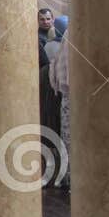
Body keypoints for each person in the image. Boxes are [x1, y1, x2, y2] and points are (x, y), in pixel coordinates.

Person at [47, 17, 71, 191]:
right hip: (75, 96)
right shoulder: (75, 34)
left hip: (68, 96)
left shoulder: (68, 36)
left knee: (69, 139)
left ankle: (70, 178)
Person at [37, 7, 62, 146]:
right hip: (44, 79)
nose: (45, 22)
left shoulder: (59, 36)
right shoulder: (36, 38)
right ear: (38, 21)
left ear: (52, 19)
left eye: (48, 19)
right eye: (42, 19)